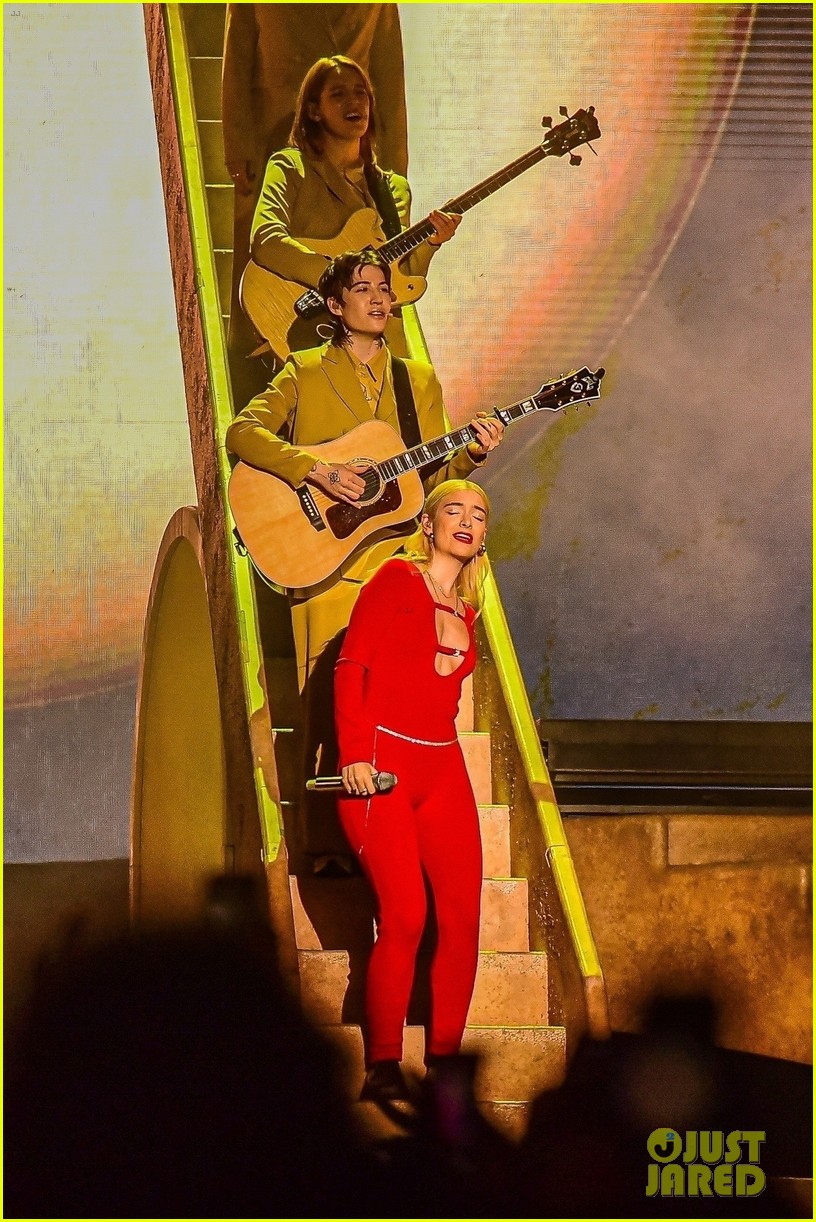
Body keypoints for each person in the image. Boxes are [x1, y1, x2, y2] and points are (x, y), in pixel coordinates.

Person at [225, 249, 503, 863]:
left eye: (386, 289)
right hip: (325, 559)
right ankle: (323, 843)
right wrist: (316, 470)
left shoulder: (417, 381)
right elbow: (242, 434)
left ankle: (387, 837)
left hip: (398, 562)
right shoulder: (302, 371)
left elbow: (429, 478)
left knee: (396, 701)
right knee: (326, 695)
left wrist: (472, 457)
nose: (380, 299)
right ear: (335, 304)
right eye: (364, 289)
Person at [334, 480, 491, 1107]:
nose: (466, 522)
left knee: (464, 918)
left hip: (441, 766)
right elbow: (352, 667)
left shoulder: (469, 609)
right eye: (453, 510)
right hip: (381, 767)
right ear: (427, 525)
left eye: (478, 516)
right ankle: (382, 1065)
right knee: (405, 916)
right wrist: (352, 756)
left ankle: (447, 1065)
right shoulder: (394, 581)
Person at [234, 52, 460, 395]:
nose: (354, 102)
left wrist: (432, 242)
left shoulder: (391, 189)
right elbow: (266, 238)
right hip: (308, 323)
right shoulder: (290, 166)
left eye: (361, 93)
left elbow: (402, 276)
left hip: (367, 344)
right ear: (313, 110)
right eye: (338, 94)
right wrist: (333, 276)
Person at [222, 8, 411, 400]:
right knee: (262, 273)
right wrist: (238, 142)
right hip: (274, 133)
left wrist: (394, 155)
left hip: (353, 152)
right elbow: (238, 50)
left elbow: (389, 68)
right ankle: (253, 374)